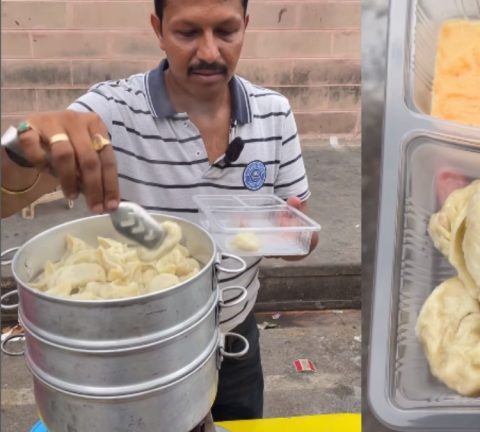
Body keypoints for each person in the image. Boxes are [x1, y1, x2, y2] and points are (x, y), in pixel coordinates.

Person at [0, 0, 318, 424]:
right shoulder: (109, 110)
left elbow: (301, 239)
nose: (208, 52)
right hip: (136, 352)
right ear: (158, 28)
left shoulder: (274, 113)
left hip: (234, 335)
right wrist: (19, 142)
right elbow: (12, 186)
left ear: (245, 26)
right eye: (188, 33)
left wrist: (291, 235)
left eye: (225, 32)